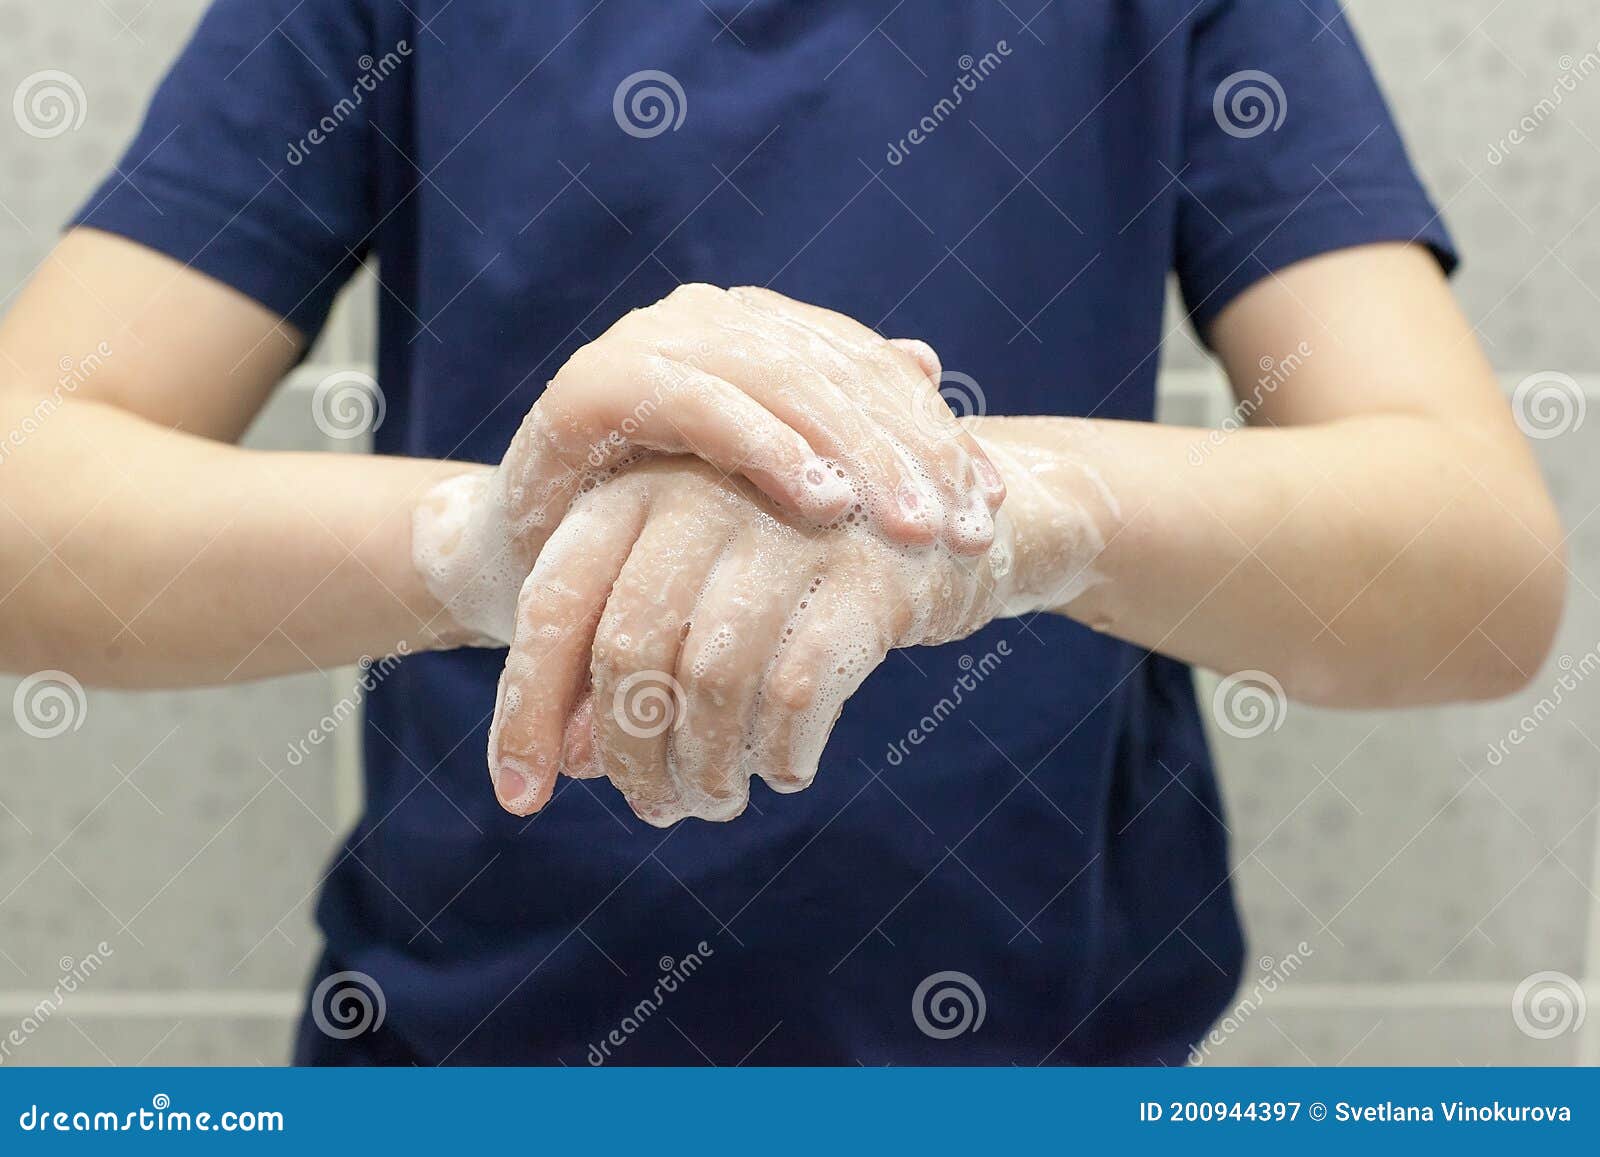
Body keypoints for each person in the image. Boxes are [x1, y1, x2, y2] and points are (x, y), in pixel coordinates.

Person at [0, 0, 1563, 1065]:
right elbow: (29, 499)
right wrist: (497, 540)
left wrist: (981, 512)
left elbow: (1478, 565)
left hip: (1050, 1074)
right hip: (470, 1069)